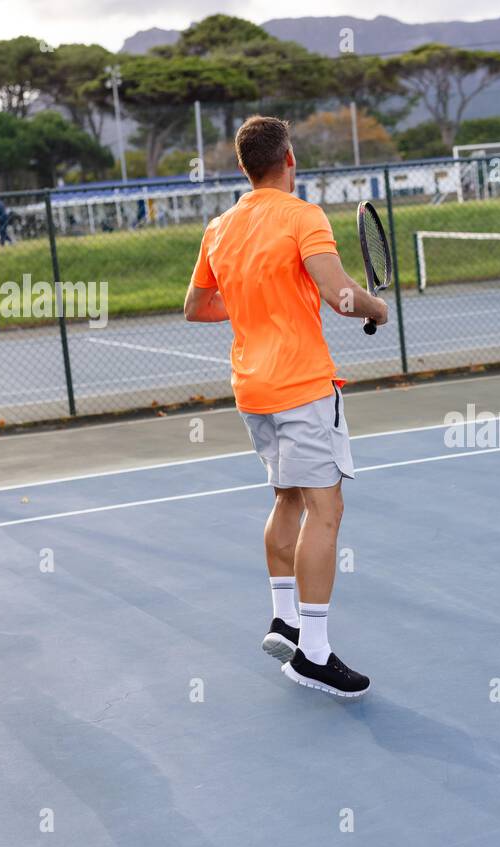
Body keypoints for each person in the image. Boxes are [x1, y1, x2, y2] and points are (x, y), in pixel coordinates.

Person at [183, 115, 388, 698]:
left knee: (287, 498)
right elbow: (340, 294)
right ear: (289, 158)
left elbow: (197, 307)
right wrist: (377, 309)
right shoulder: (303, 215)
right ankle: (314, 655)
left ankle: (285, 619)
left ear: (246, 167)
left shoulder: (220, 227)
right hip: (301, 388)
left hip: (253, 390)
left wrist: (255, 304)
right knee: (326, 512)